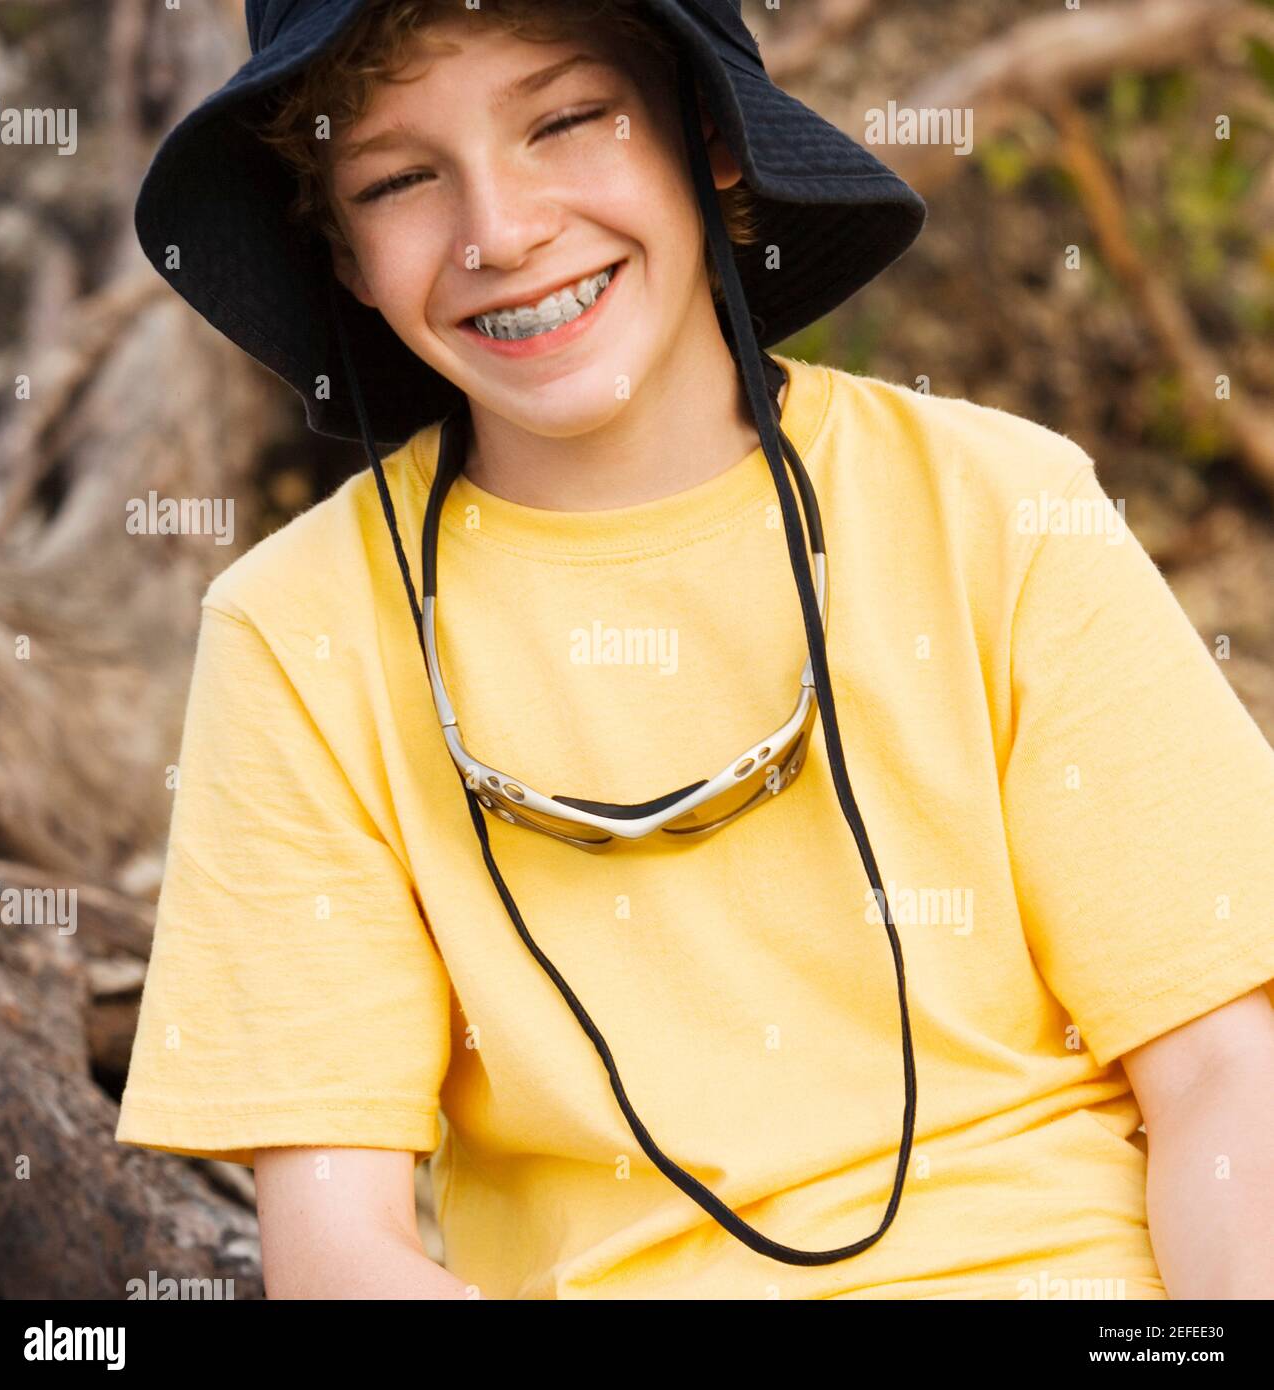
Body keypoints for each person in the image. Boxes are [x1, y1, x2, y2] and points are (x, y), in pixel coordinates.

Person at [114, 0, 1274, 1300]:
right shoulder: (301, 634)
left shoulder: (1001, 504)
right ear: (343, 251)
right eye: (397, 179)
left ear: (711, 139)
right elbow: (337, 1252)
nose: (501, 232)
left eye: (565, 119)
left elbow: (1229, 1077)